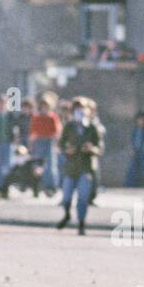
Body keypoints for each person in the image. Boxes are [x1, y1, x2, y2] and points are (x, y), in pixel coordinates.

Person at [56, 98, 101, 235]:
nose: (79, 112)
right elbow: (60, 144)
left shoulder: (92, 127)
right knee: (66, 196)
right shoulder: (69, 126)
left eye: (82, 108)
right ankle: (67, 214)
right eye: (76, 109)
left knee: (82, 198)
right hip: (71, 166)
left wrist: (92, 149)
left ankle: (81, 223)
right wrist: (66, 150)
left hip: (85, 167)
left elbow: (99, 147)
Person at [29, 93, 62, 193]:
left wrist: (56, 143)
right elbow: (32, 133)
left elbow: (57, 131)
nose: (44, 108)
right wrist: (31, 145)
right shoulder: (36, 117)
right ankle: (38, 186)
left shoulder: (53, 117)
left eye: (46, 106)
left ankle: (51, 186)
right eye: (43, 106)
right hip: (39, 142)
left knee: (51, 164)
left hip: (49, 141)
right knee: (38, 165)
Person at [125, 113, 144, 188]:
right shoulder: (135, 130)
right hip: (136, 152)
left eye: (141, 119)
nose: (140, 121)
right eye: (139, 119)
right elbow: (133, 141)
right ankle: (129, 186)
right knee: (132, 170)